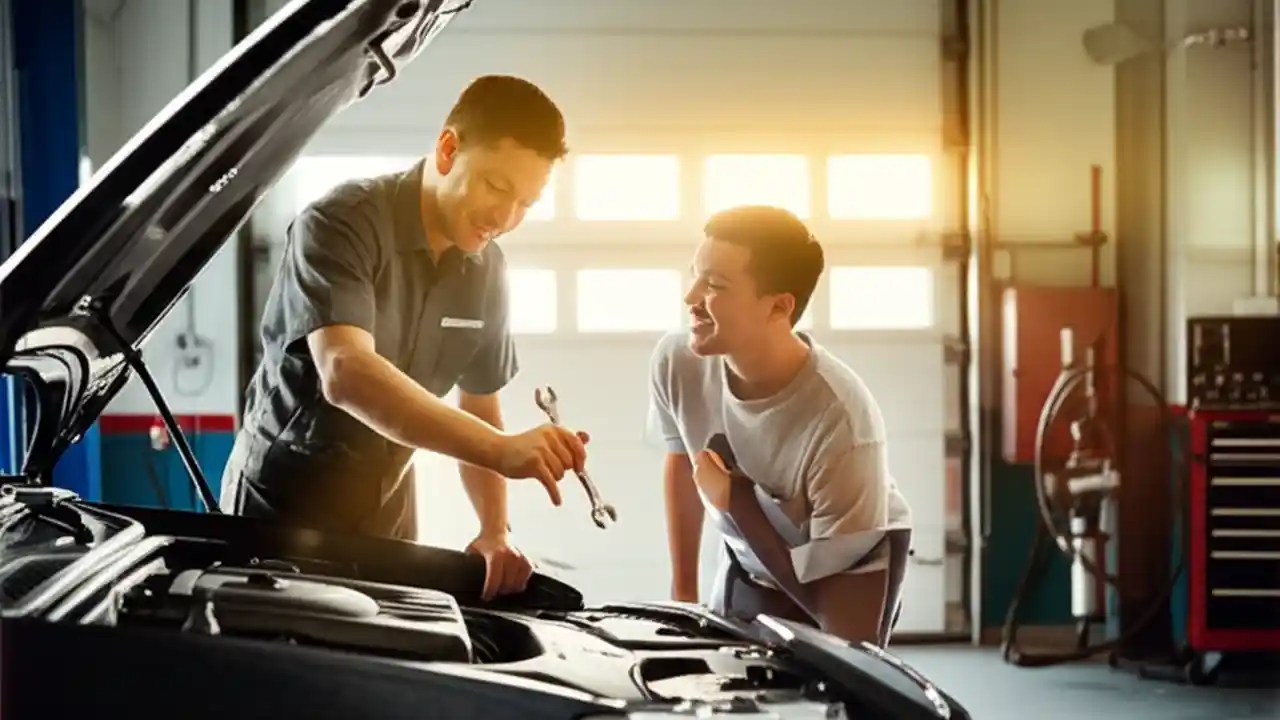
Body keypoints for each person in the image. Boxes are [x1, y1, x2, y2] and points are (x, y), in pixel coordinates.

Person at [221, 75, 588, 602]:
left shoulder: (488, 271)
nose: (506, 218)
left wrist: (494, 531)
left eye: (526, 203)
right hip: (280, 507)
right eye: (497, 187)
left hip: (388, 512)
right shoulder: (341, 222)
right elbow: (346, 374)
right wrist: (504, 452)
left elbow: (481, 407)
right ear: (447, 149)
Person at [646, 205, 913, 645]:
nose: (691, 296)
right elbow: (682, 463)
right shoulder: (678, 362)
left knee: (847, 687)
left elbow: (832, 612)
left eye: (714, 284)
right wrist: (684, 594)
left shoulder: (843, 424)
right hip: (751, 547)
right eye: (695, 274)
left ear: (778, 306)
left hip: (845, 560)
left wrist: (739, 500)